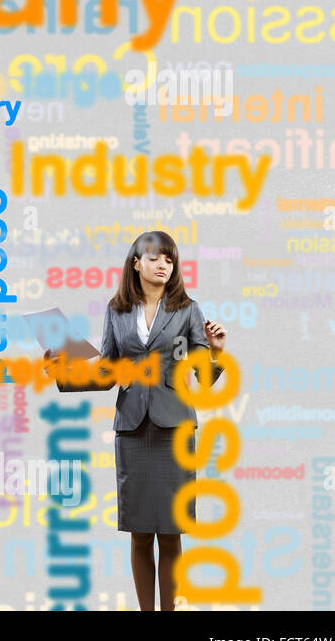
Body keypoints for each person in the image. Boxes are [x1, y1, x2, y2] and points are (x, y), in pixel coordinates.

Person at [47, 231, 226, 611]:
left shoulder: (187, 309)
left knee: (172, 534)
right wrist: (63, 372)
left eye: (170, 260)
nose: (164, 265)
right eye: (156, 257)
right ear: (136, 262)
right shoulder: (117, 310)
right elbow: (108, 373)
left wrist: (217, 353)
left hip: (174, 430)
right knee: (141, 533)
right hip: (132, 430)